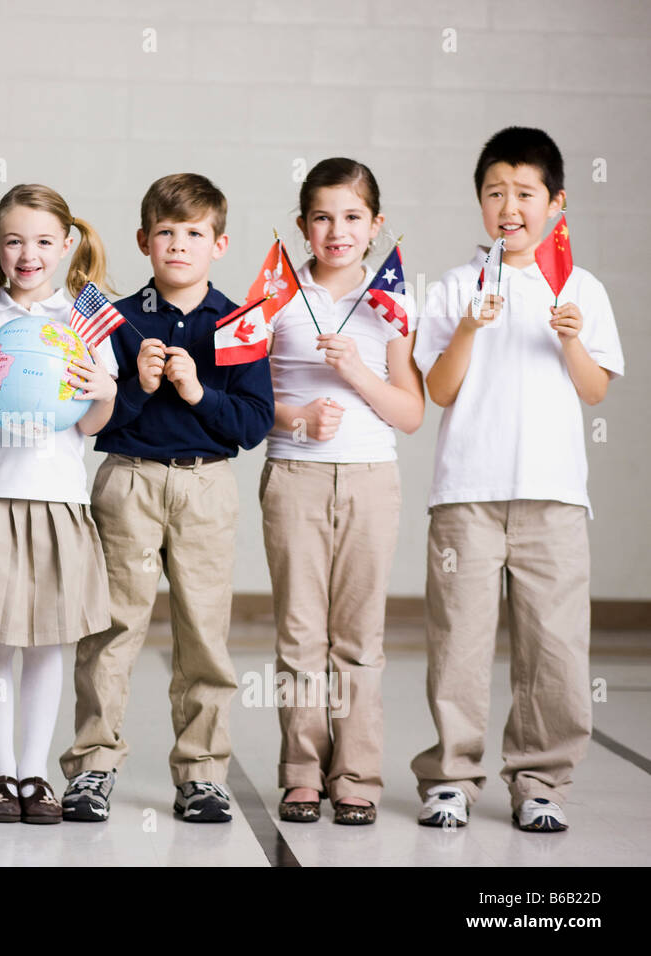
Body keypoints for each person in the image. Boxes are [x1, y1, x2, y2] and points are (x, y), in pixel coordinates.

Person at [412, 126, 624, 832]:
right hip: (465, 496)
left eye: (525, 193)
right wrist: (469, 327)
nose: (510, 207)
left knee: (555, 648)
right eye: (495, 192)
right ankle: (451, 778)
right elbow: (439, 390)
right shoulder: (452, 287)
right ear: (480, 202)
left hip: (555, 496)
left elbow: (594, 391)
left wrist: (568, 335)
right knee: (459, 643)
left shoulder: (581, 288)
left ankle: (540, 782)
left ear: (555, 204)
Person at [60, 173, 275, 823]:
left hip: (206, 484)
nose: (179, 245)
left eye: (194, 234)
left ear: (219, 243)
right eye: (165, 233)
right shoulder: (118, 319)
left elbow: (250, 424)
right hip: (130, 480)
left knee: (204, 632)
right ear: (144, 241)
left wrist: (195, 393)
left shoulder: (238, 322)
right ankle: (93, 766)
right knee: (113, 627)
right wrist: (134, 388)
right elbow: (91, 420)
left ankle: (203, 772)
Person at [0, 184, 118, 824]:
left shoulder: (85, 319)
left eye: (41, 241)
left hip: (57, 499)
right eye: (13, 242)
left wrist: (104, 390)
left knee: (49, 644)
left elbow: (90, 427)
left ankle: (36, 774)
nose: (27, 254)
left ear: (66, 245)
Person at [261, 158, 423, 826]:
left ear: (375, 226)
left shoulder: (393, 306)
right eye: (323, 217)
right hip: (294, 476)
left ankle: (355, 772)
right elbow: (249, 400)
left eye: (353, 217)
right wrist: (297, 417)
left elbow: (409, 412)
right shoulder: (275, 298)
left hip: (369, 479)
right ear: (303, 225)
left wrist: (357, 371)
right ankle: (302, 771)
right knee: (300, 630)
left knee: (359, 635)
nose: (337, 231)